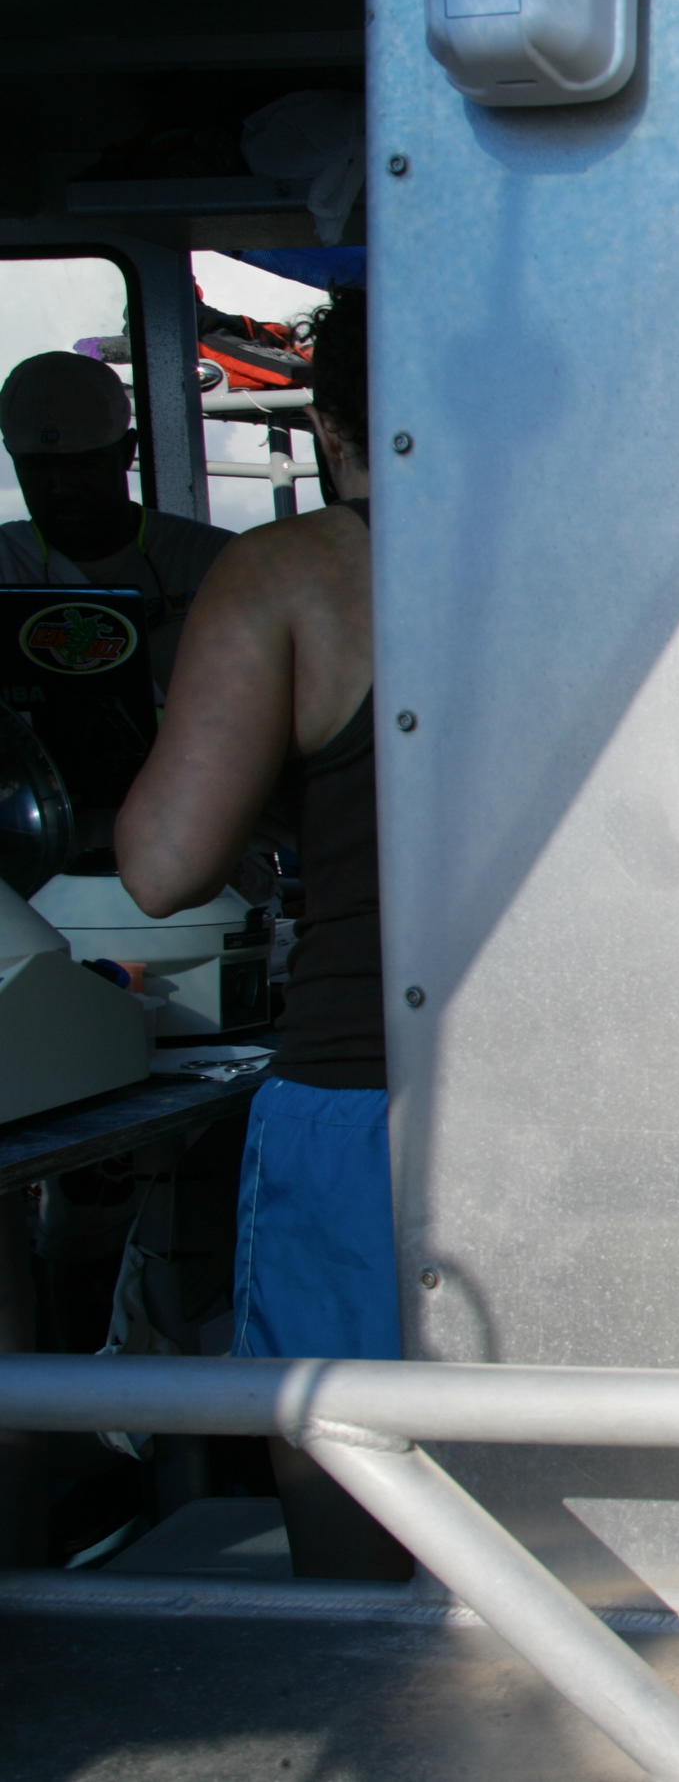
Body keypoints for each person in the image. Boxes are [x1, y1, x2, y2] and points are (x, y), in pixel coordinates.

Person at [111, 287, 408, 1576]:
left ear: (336, 430)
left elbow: (162, 865)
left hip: (362, 1099)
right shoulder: (611, 565)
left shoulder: (291, 572)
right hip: (593, 1096)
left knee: (360, 1575)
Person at [2, 349, 238, 695]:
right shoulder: (6, 562)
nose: (61, 486)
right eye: (37, 467)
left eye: (82, 465)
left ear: (128, 452)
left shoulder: (222, 563)